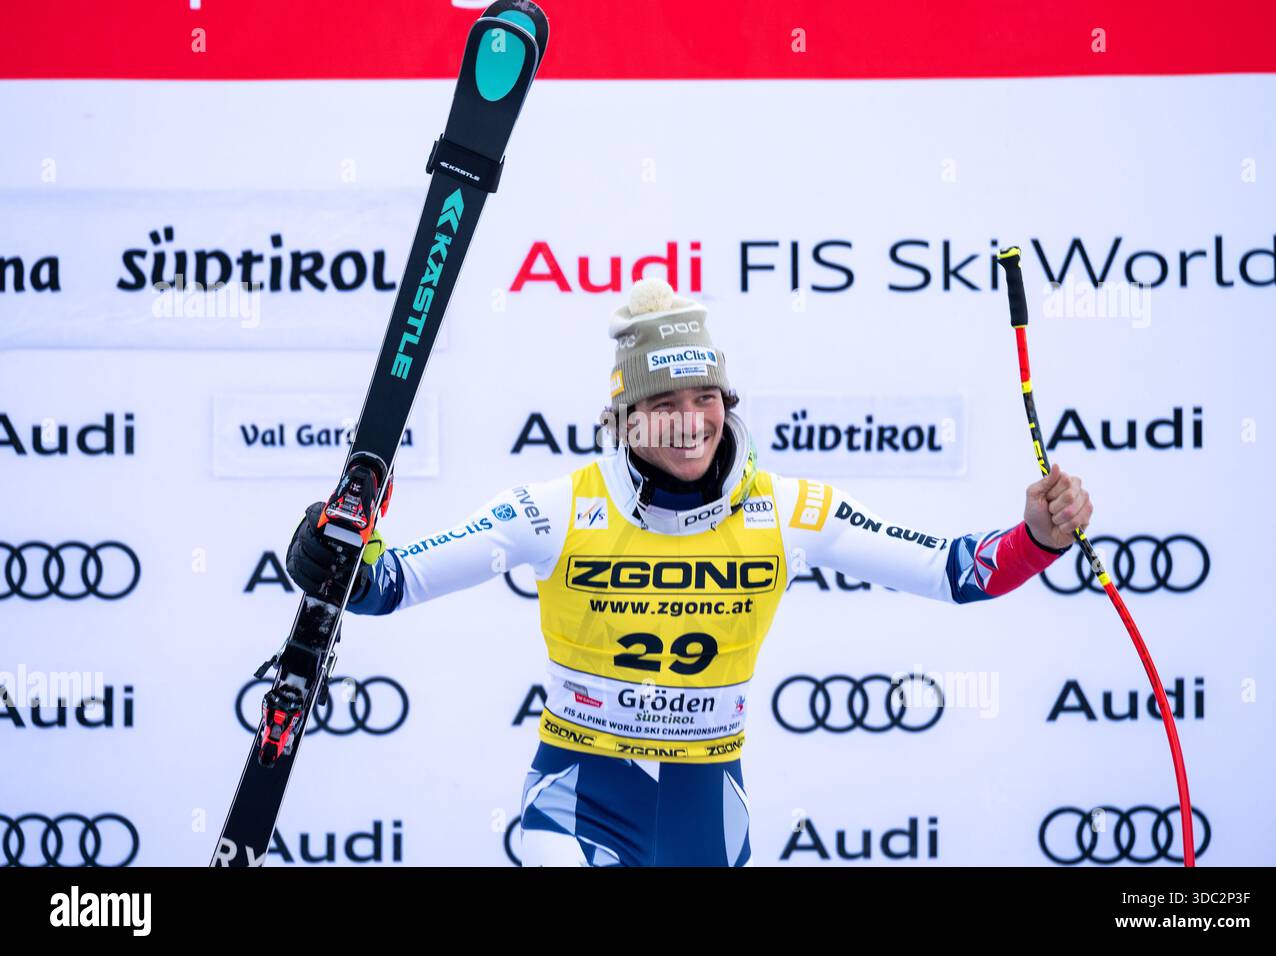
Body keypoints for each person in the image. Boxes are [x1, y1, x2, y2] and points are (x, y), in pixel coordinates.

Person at [286, 277, 1093, 867]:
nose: (690, 419)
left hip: (708, 816)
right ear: (625, 417)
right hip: (578, 799)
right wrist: (333, 552)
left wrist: (1036, 535)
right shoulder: (560, 507)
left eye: (706, 395)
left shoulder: (787, 510)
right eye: (663, 400)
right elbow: (391, 584)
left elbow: (956, 573)